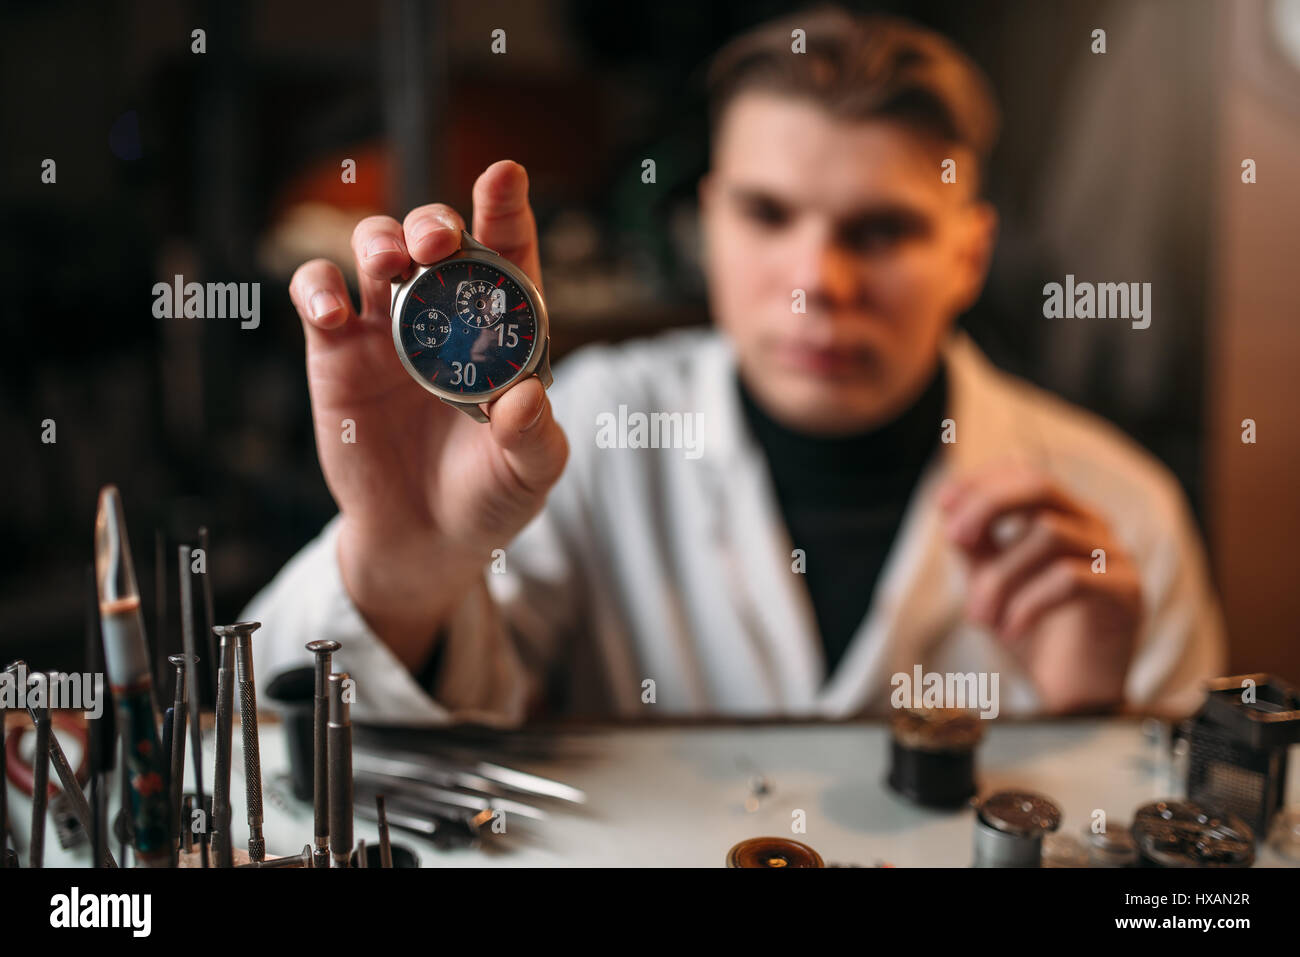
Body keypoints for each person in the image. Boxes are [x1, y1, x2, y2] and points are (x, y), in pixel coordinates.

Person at [247, 9, 1224, 726]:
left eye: (879, 230)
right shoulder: (583, 430)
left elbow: (1195, 889)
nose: (815, 282)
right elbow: (262, 727)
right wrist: (402, 569)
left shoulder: (1121, 513)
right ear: (706, 224)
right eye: (765, 215)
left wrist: (1094, 720)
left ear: (968, 254)